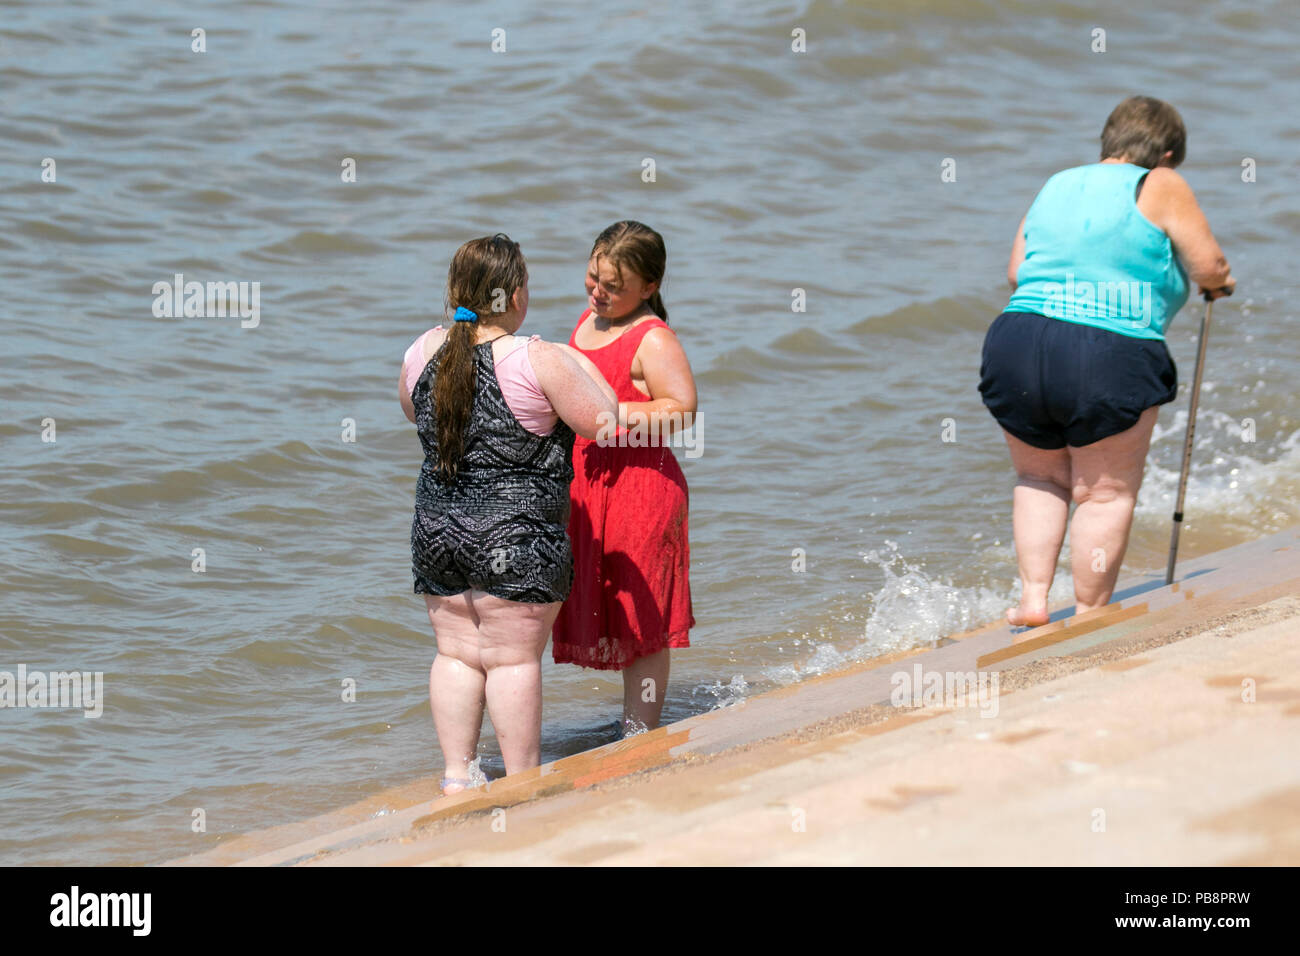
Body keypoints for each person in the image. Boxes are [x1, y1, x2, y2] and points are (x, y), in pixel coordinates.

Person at [979, 96, 1235, 628]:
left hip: (1017, 341)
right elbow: (1207, 262)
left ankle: (1033, 600)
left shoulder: (1056, 182)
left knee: (1038, 478)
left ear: (1109, 140)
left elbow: (1015, 271)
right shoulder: (1160, 183)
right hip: (1107, 349)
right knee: (1103, 492)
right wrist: (1219, 284)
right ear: (1165, 153)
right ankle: (1092, 613)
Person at [398, 234, 617, 793]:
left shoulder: (424, 349)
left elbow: (410, 410)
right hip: (517, 538)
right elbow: (603, 422)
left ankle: (457, 776)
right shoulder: (536, 357)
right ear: (516, 294)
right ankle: (522, 783)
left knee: (455, 654)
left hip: (437, 528)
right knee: (513, 661)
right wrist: (571, 356)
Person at [552, 221, 698, 736]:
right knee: (606, 603)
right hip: (588, 487)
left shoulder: (653, 338)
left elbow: (683, 410)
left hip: (642, 488)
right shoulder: (586, 322)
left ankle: (641, 732)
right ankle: (626, 725)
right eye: (593, 277)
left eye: (613, 287)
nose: (598, 292)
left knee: (644, 624)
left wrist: (618, 418)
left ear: (649, 288)